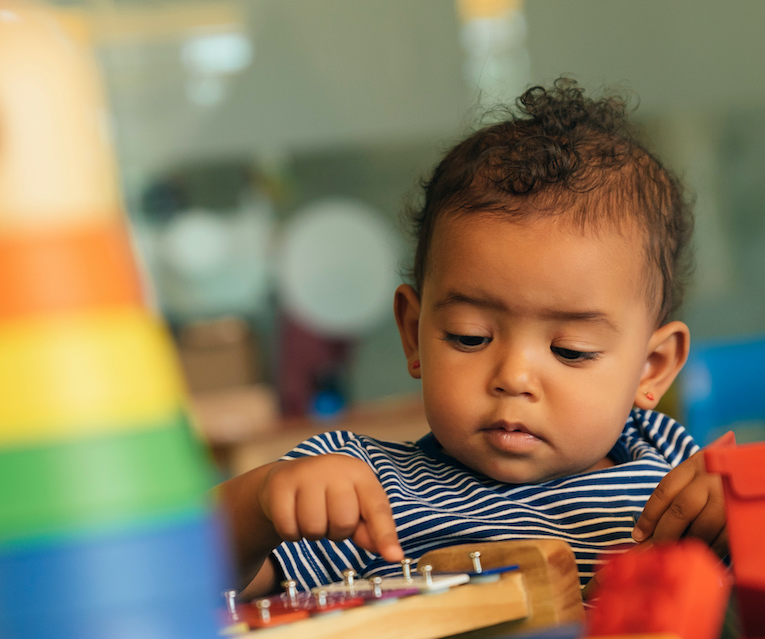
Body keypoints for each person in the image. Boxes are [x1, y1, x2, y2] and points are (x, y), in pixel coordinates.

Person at [217, 79, 729, 598]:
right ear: (414, 335)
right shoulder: (366, 490)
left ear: (652, 368)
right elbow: (191, 581)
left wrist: (741, 521)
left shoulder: (669, 476)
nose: (514, 377)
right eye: (470, 338)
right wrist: (257, 506)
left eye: (570, 350)